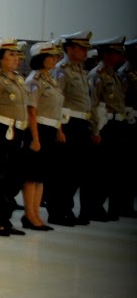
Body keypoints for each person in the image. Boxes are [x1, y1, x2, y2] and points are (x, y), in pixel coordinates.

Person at [0, 40, 30, 237]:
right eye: (11, 54)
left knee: (13, 179)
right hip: (1, 130)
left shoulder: (18, 79)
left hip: (17, 131)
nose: (16, 58)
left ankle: (6, 218)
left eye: (17, 55)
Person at [49, 30, 95, 224]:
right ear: (69, 49)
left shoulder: (81, 71)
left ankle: (67, 209)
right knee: (63, 171)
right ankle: (57, 211)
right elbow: (55, 101)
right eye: (81, 48)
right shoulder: (61, 70)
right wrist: (58, 128)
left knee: (77, 171)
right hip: (67, 124)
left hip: (82, 124)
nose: (85, 52)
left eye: (86, 49)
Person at [23, 40, 65, 232]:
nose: (54, 59)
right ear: (41, 58)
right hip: (38, 129)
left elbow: (56, 109)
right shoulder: (34, 81)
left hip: (50, 129)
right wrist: (35, 138)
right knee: (32, 175)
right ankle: (29, 214)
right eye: (50, 56)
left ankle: (37, 213)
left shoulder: (51, 80)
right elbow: (31, 111)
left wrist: (59, 130)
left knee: (42, 176)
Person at [88, 37, 130, 220]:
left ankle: (109, 207)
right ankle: (94, 207)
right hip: (104, 125)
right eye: (116, 52)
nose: (120, 56)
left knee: (114, 170)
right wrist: (95, 131)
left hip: (117, 123)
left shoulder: (114, 75)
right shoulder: (97, 75)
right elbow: (94, 105)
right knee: (100, 171)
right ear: (106, 54)